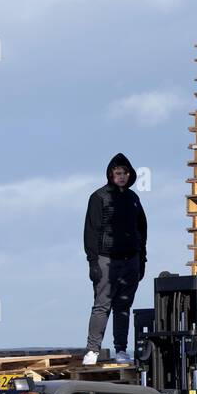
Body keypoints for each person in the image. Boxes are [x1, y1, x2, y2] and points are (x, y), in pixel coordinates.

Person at [83, 153, 147, 365]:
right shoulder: (99, 197)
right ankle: (92, 350)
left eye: (125, 173)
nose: (121, 177)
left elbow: (142, 229)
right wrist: (93, 263)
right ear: (111, 174)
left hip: (131, 260)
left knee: (124, 306)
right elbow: (90, 232)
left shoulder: (133, 199)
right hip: (105, 259)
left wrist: (142, 260)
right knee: (102, 305)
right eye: (118, 173)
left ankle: (121, 350)